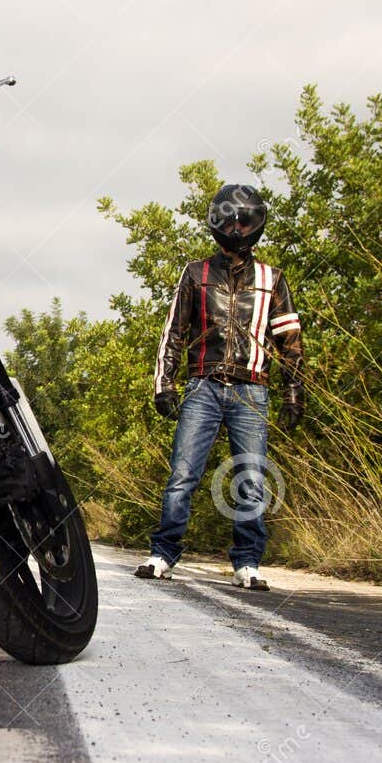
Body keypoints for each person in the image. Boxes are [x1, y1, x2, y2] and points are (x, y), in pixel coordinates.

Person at [134, 183, 304, 589]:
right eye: (230, 219)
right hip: (203, 387)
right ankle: (163, 555)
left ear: (256, 224)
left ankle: (247, 564)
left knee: (251, 477)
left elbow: (290, 342)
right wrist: (164, 384)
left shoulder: (273, 279)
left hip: (252, 389)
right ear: (217, 222)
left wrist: (294, 391)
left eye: (244, 219)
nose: (237, 227)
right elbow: (173, 332)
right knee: (183, 474)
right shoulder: (196, 273)